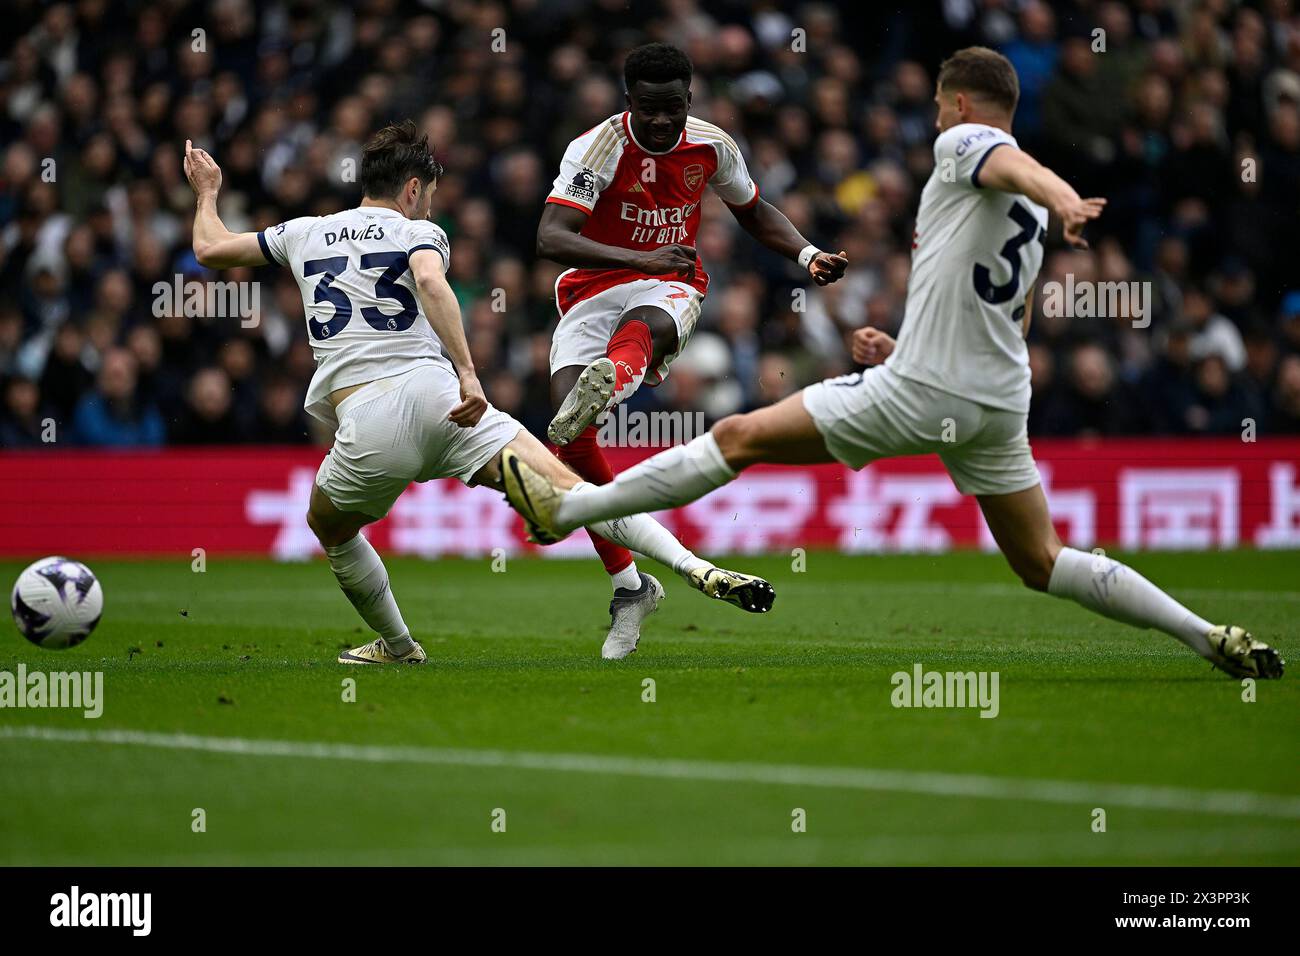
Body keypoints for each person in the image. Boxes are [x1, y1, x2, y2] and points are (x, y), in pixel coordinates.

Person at [502, 48, 1283, 681]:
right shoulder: (1019, 222)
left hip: (920, 390)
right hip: (995, 397)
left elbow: (1006, 161)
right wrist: (904, 337)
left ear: (963, 107)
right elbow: (982, 295)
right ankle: (1201, 632)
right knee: (1042, 561)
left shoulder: (969, 146)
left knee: (736, 437)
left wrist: (1065, 193)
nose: (938, 120)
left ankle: (565, 512)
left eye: (944, 106)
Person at [182, 121, 773, 665]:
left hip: (366, 421)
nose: (432, 202)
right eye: (431, 191)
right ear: (413, 188)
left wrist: (207, 191)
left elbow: (210, 249)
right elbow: (431, 281)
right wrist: (468, 372)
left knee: (332, 530)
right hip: (447, 402)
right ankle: (692, 567)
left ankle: (400, 646)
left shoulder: (302, 233)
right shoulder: (420, 231)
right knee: (576, 492)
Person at [535, 42, 847, 612]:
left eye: (672, 107)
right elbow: (551, 236)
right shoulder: (596, 147)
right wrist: (637, 260)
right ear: (629, 101)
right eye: (648, 108)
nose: (660, 120)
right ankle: (629, 585)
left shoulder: (713, 145)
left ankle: (618, 373)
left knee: (649, 321)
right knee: (567, 436)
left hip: (671, 282)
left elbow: (753, 210)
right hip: (593, 286)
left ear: (689, 99)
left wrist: (807, 255)